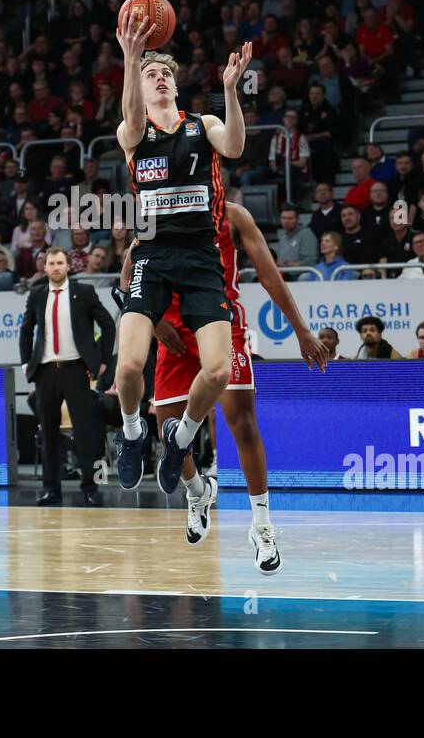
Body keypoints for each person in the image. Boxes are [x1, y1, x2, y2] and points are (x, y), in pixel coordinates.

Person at [123, 202, 326, 572]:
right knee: (168, 434)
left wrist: (301, 329)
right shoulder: (156, 212)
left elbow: (269, 275)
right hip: (173, 332)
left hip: (221, 324)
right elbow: (129, 277)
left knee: (243, 424)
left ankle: (262, 525)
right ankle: (198, 494)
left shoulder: (233, 216)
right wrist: (153, 325)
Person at [111, 8, 248, 504]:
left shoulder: (203, 123)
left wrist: (230, 89)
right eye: (152, 75)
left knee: (217, 372)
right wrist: (131, 58)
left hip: (199, 257)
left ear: (176, 85)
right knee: (128, 368)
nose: (161, 78)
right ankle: (131, 434)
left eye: (166, 72)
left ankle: (182, 438)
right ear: (141, 89)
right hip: (152, 254)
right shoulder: (133, 133)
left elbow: (233, 146)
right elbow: (128, 115)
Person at [19, 247, 115, 507]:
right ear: (46, 267)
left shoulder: (83, 292)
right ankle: (52, 490)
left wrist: (103, 360)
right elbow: (26, 329)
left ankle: (91, 488)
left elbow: (108, 324)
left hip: (76, 369)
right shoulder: (37, 294)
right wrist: (26, 361)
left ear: (68, 266)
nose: (56, 267)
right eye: (52, 263)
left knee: (87, 432)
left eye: (61, 262)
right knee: (48, 434)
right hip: (46, 370)